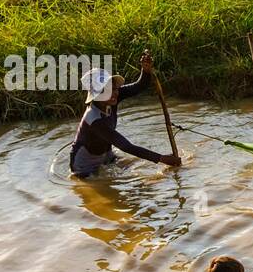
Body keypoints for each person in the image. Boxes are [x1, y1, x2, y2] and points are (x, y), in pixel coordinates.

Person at [69, 50, 179, 178]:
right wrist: (163, 159)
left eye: (114, 88)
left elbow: (139, 86)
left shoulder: (113, 97)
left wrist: (146, 70)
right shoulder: (94, 119)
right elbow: (126, 146)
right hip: (83, 167)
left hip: (106, 155)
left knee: (134, 169)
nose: (114, 92)